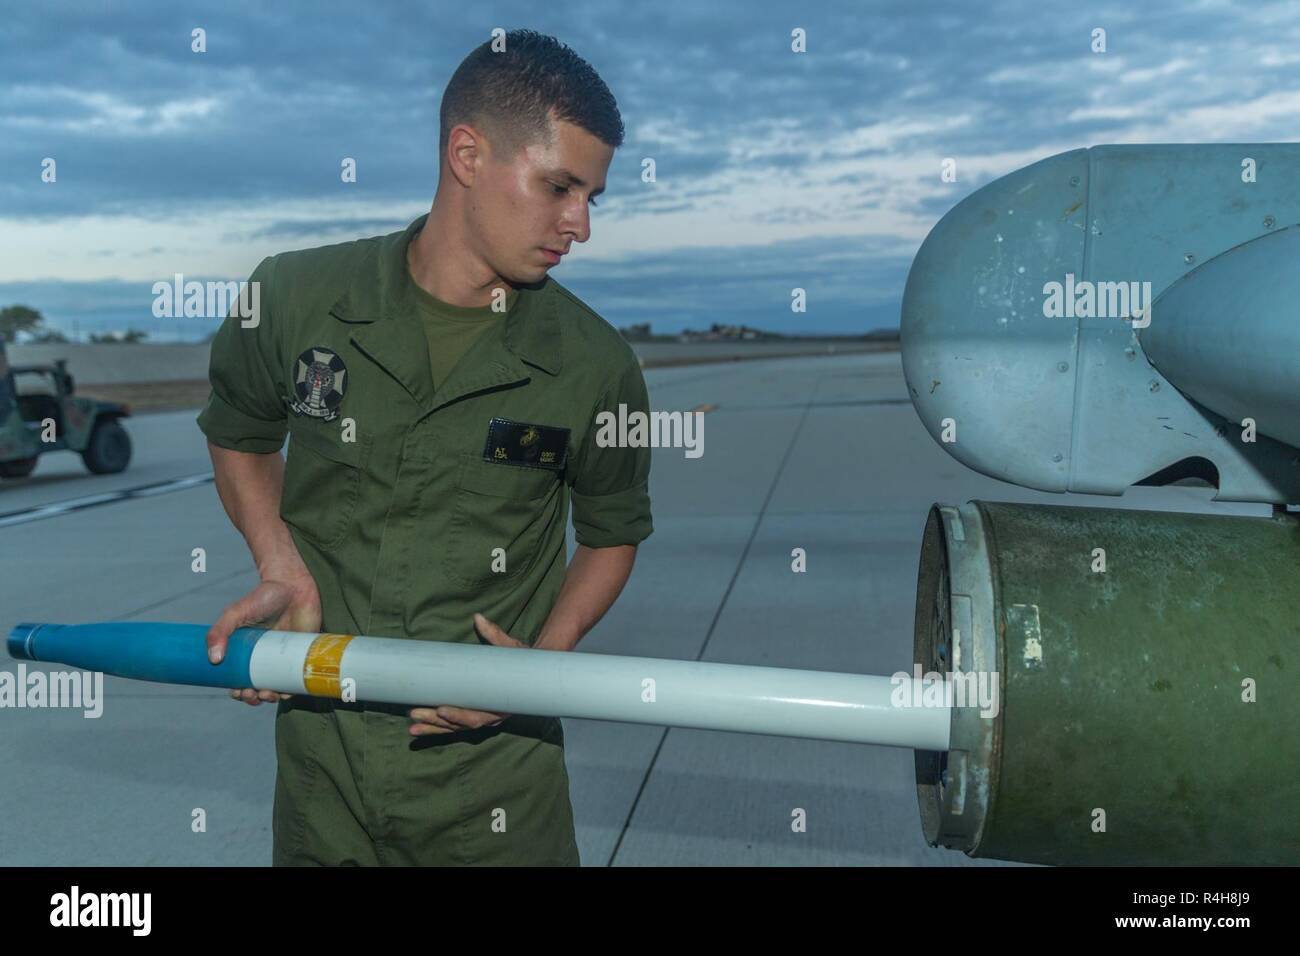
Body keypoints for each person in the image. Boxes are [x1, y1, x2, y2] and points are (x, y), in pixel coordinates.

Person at [197, 29, 653, 866]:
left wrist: (536, 674)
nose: (580, 224)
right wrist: (278, 563)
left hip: (495, 789)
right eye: (559, 186)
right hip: (319, 772)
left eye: (592, 196)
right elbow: (240, 433)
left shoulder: (594, 364)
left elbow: (612, 532)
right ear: (468, 154)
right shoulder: (294, 299)